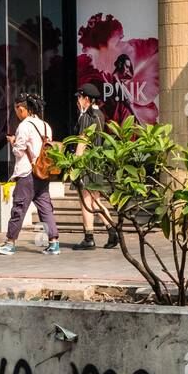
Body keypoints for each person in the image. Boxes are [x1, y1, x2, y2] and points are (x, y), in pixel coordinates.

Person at [0, 95, 60, 256]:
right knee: (45, 208)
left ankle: (9, 243)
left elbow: (18, 150)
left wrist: (13, 142)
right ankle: (53, 242)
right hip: (42, 172)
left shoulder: (24, 126)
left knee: (19, 208)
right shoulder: (45, 126)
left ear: (22, 109)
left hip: (27, 173)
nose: (17, 114)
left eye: (17, 110)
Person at [72, 83, 118, 250]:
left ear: (87, 99)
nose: (78, 101)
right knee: (96, 199)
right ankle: (112, 230)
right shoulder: (100, 115)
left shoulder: (86, 116)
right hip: (96, 162)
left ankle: (88, 237)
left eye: (79, 97)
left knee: (85, 200)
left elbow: (83, 141)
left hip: (86, 162)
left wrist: (75, 164)